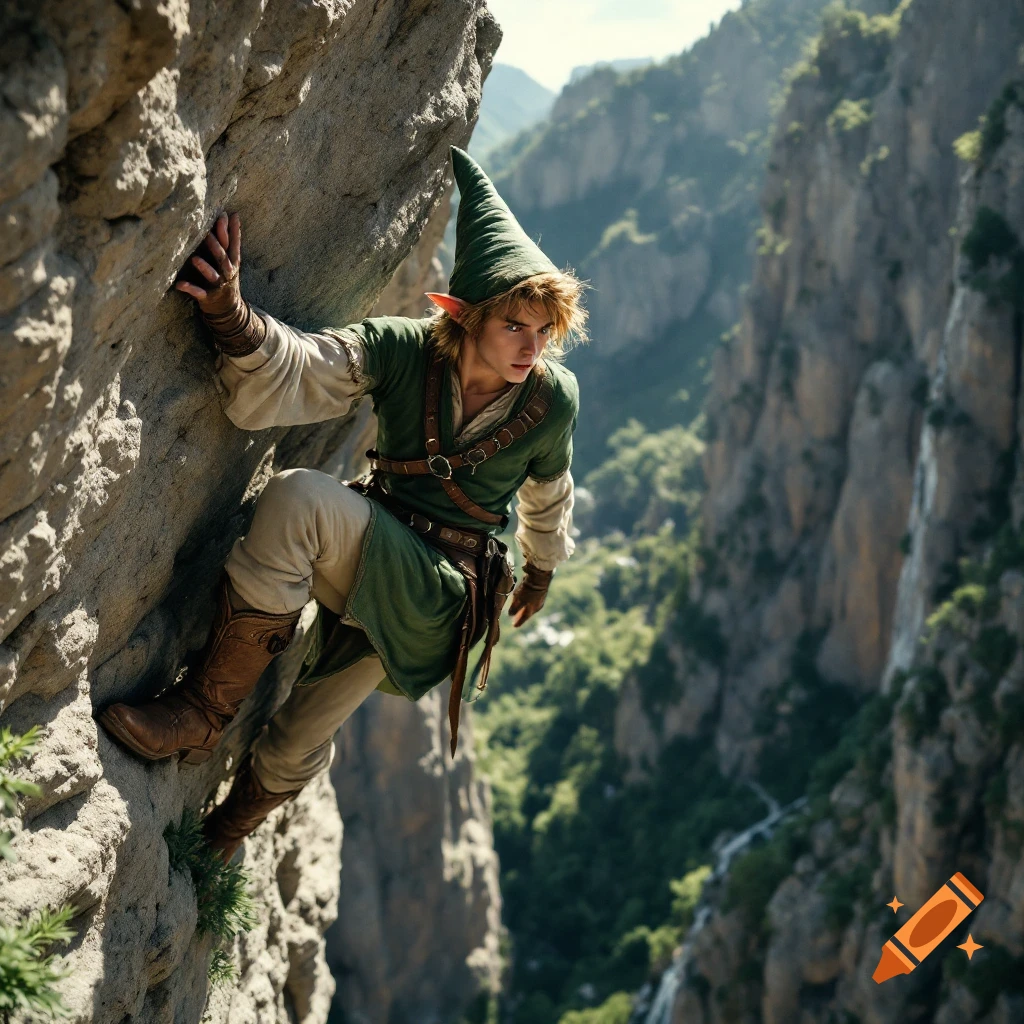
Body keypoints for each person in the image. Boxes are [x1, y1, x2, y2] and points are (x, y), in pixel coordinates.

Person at [99, 147, 588, 860]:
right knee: (299, 500)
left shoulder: (551, 400)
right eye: (516, 324)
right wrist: (232, 317)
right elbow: (309, 365)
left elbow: (550, 496)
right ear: (463, 313)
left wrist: (541, 568)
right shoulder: (403, 350)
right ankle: (200, 714)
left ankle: (223, 838)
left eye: (545, 332)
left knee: (302, 732)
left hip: (440, 596)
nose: (532, 347)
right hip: (376, 537)